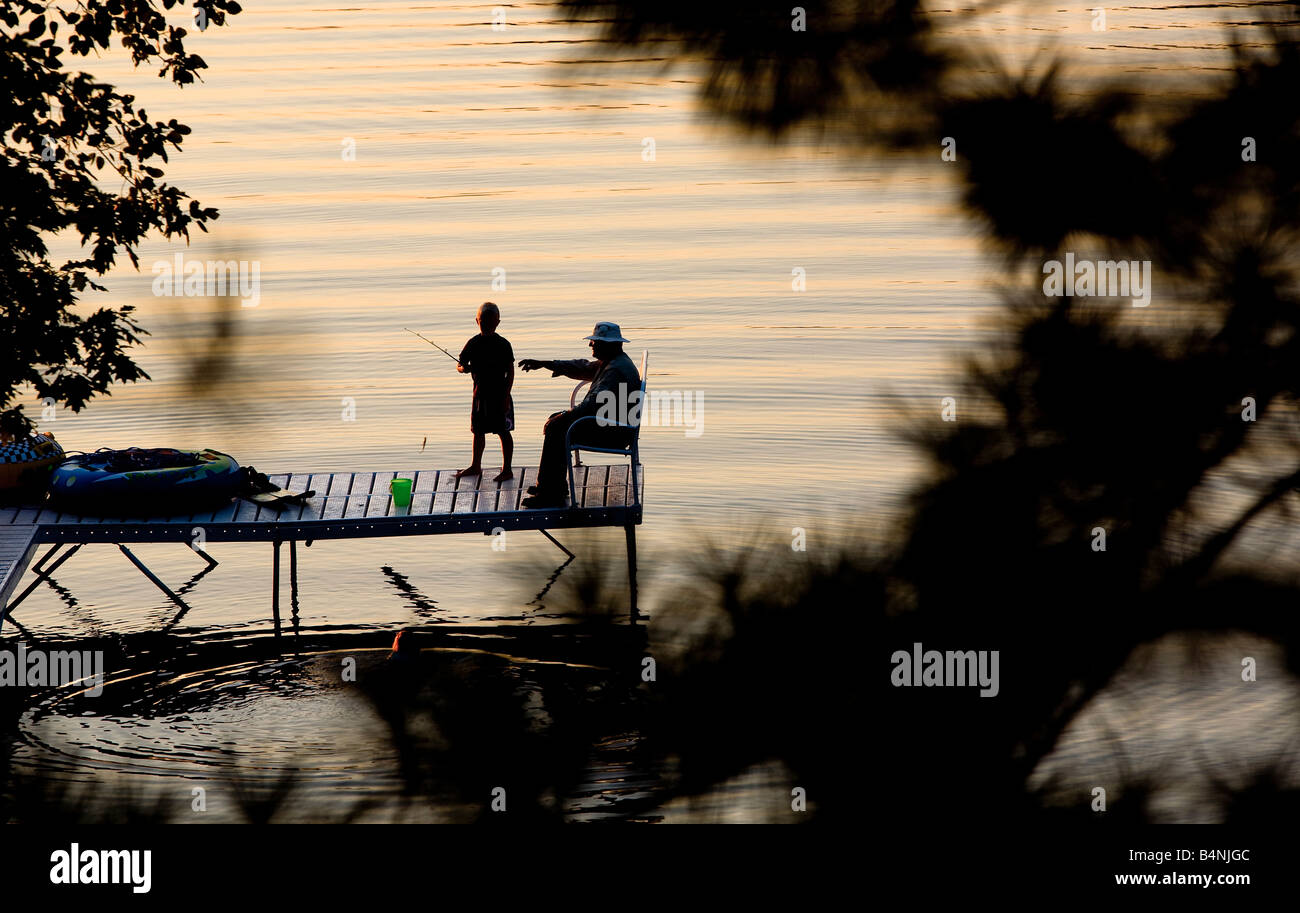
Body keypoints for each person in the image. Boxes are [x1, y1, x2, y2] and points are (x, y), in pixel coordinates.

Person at [517, 321, 640, 508]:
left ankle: (550, 494)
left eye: (595, 341)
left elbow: (592, 406)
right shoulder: (613, 362)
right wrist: (544, 364)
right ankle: (553, 486)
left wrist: (566, 416)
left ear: (610, 345)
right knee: (557, 421)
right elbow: (581, 367)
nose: (590, 344)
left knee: (557, 427)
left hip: (615, 432)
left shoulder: (615, 370)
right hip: (612, 423)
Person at [455, 302, 514, 482]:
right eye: (483, 321)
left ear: (497, 322)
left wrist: (506, 395)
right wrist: (463, 368)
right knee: (478, 431)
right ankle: (476, 465)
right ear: (477, 321)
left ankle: (507, 469)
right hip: (479, 395)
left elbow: (510, 372)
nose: (486, 325)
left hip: (500, 394)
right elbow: (460, 364)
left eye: (490, 321)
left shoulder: (503, 344)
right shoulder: (473, 343)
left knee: (504, 432)